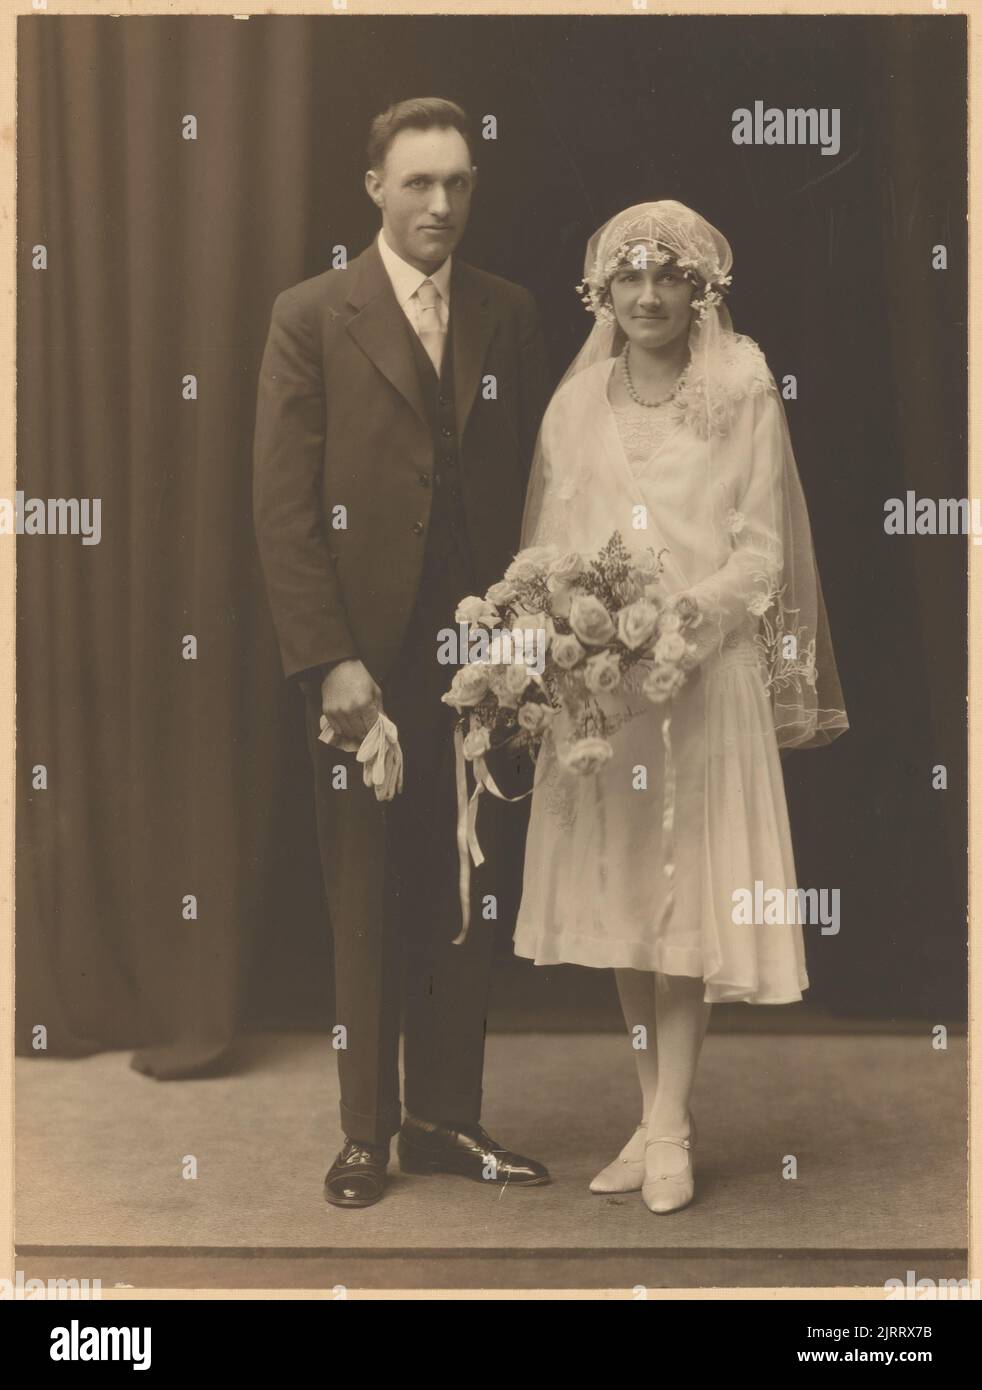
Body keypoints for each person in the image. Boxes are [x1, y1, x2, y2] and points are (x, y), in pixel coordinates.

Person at [513, 200, 848, 1213]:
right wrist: (565, 634)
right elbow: (552, 546)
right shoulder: (576, 404)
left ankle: (670, 1129)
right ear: (602, 292)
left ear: (700, 291)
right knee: (628, 911)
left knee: (686, 904)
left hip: (701, 683)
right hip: (606, 696)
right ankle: (652, 1113)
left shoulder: (740, 384)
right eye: (630, 277)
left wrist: (678, 620)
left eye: (669, 277)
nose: (648, 295)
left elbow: (762, 551)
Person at [253, 98, 551, 1207]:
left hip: (481, 657)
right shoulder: (311, 314)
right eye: (419, 182)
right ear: (374, 187)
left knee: (463, 888)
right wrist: (328, 659)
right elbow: (283, 508)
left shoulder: (508, 311)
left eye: (458, 182)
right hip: (362, 663)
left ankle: (444, 1121)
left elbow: (537, 488)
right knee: (367, 894)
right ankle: (363, 1133)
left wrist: (525, 642)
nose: (440, 204)